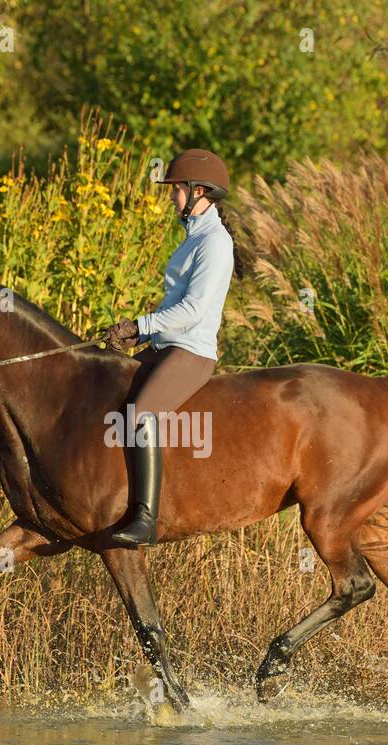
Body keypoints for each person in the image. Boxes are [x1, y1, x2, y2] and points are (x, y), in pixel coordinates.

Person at [102, 148, 238, 546]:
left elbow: (193, 310)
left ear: (199, 191)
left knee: (141, 414)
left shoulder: (214, 243)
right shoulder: (192, 239)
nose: (172, 197)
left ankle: (145, 518)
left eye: (176, 190)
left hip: (191, 352)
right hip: (165, 345)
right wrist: (139, 334)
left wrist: (142, 325)